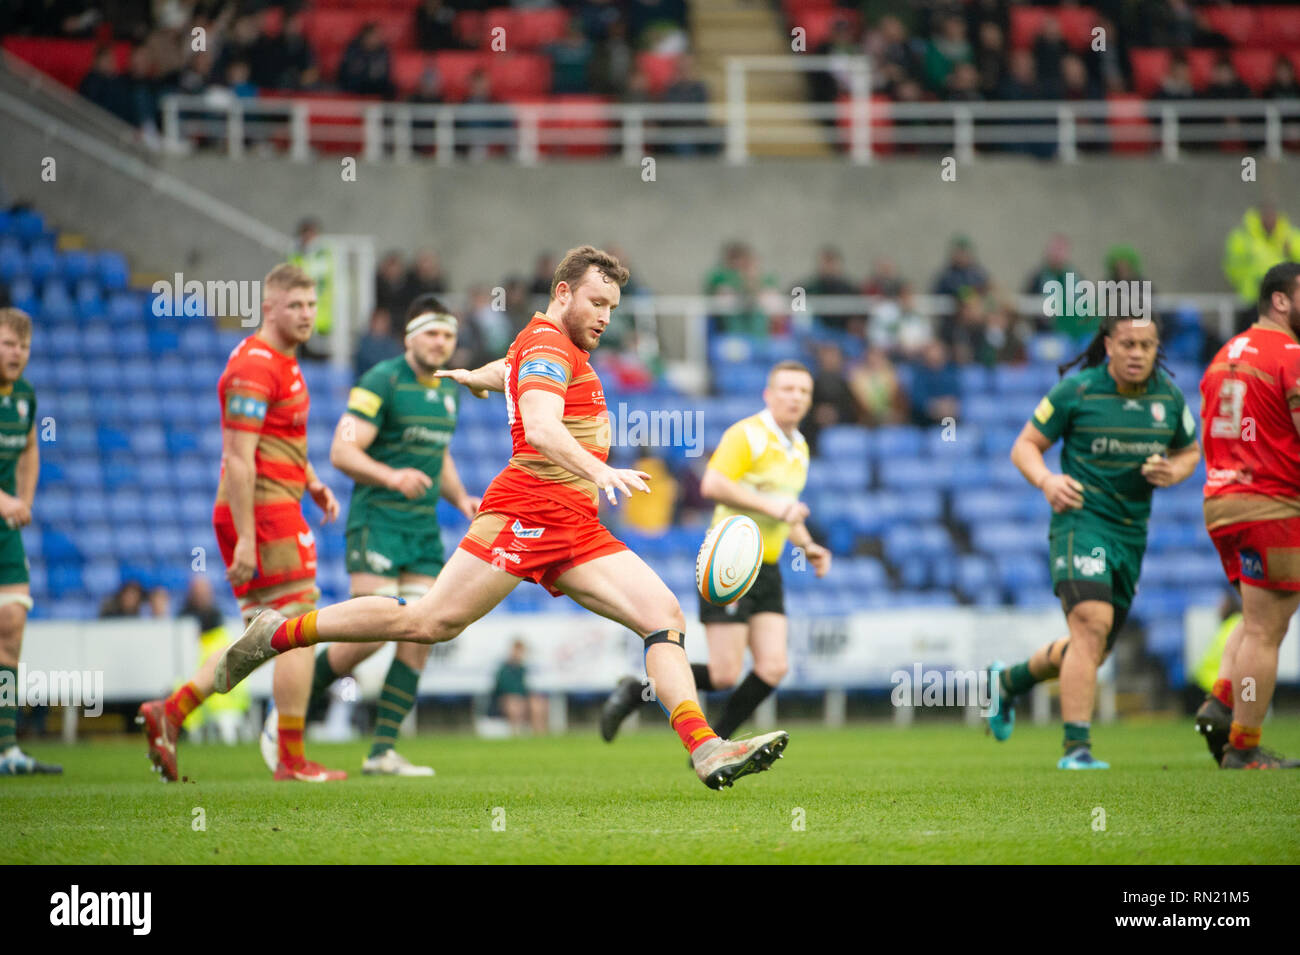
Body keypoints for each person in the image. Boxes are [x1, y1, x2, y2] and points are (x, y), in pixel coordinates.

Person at [212, 246, 789, 790]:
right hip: (528, 510)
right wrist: (599, 469)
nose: (605, 317)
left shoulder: (542, 343)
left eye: (612, 308)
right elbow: (539, 424)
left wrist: (475, 376)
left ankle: (705, 745)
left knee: (663, 616)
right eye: (596, 303)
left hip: (575, 526)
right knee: (428, 622)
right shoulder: (548, 348)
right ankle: (278, 633)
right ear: (563, 293)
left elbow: (514, 368)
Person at [136, 264, 347, 783]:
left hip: (274, 502)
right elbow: (238, 457)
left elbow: (282, 436)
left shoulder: (283, 360)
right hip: (262, 512)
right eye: (293, 305)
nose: (304, 315)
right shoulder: (254, 365)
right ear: (267, 307)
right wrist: (249, 538)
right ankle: (292, 759)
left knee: (266, 637)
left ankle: (174, 710)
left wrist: (312, 479)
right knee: (300, 629)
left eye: (310, 305)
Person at [264, 294, 481, 777]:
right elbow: (342, 452)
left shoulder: (448, 391)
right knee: (373, 632)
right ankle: (288, 715)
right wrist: (392, 477)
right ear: (409, 337)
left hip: (422, 529)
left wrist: (461, 497)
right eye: (431, 332)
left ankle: (382, 750)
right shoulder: (381, 380)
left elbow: (437, 453)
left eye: (448, 334)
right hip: (377, 523)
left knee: (422, 630)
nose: (441, 342)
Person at [987, 314, 1200, 769]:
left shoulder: (1168, 397)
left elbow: (1190, 450)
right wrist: (1047, 481)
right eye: (1128, 344)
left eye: (1146, 345)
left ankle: (1007, 683)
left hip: (1131, 534)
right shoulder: (1077, 391)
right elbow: (1024, 445)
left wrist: (1174, 471)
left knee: (1092, 646)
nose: (1137, 354)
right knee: (1091, 625)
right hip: (1080, 524)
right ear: (1108, 346)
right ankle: (1076, 749)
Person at [599, 361, 830, 749]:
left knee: (774, 667)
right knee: (724, 674)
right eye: (787, 389)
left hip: (768, 565)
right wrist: (776, 509)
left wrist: (807, 545)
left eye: (803, 391)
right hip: (730, 565)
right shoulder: (748, 435)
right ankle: (638, 691)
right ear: (768, 395)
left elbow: (786, 508)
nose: (795, 397)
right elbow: (713, 483)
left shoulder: (800, 448)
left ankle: (715, 746)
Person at [1193, 262, 1300, 769]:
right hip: (1272, 502)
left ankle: (1220, 702)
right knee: (1268, 629)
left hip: (1223, 502)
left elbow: (1208, 434)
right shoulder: (1292, 355)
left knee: (1255, 618)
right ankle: (1244, 747)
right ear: (1280, 300)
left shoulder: (1222, 357)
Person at [0, 309, 59, 775]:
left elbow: (31, 448)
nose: (16, 352)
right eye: (7, 343)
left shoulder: (24, 396)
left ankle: (7, 749)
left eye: (23, 345)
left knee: (12, 628)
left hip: (5, 534)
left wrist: (25, 499)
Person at [490, 639, 547, 735]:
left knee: (537, 704)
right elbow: (500, 689)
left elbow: (526, 688)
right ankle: (516, 733)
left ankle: (539, 734)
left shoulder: (523, 668)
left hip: (522, 698)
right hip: (505, 700)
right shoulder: (504, 669)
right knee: (514, 704)